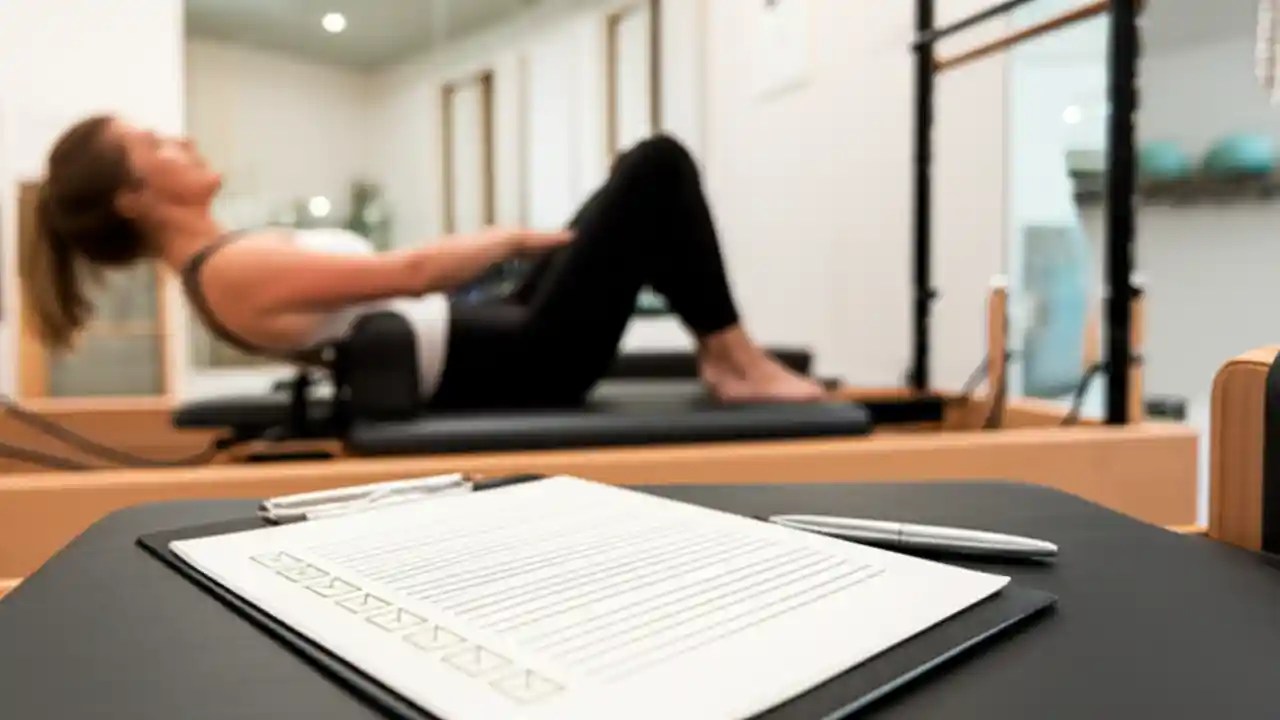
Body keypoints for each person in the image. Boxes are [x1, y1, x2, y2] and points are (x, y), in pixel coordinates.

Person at [22, 115, 827, 408]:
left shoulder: (226, 260)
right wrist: (506, 239)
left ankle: (731, 356)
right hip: (521, 356)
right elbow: (409, 274)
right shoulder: (229, 271)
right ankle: (737, 361)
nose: (182, 139)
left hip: (500, 331)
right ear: (132, 195)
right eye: (155, 143)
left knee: (638, 182)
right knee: (656, 166)